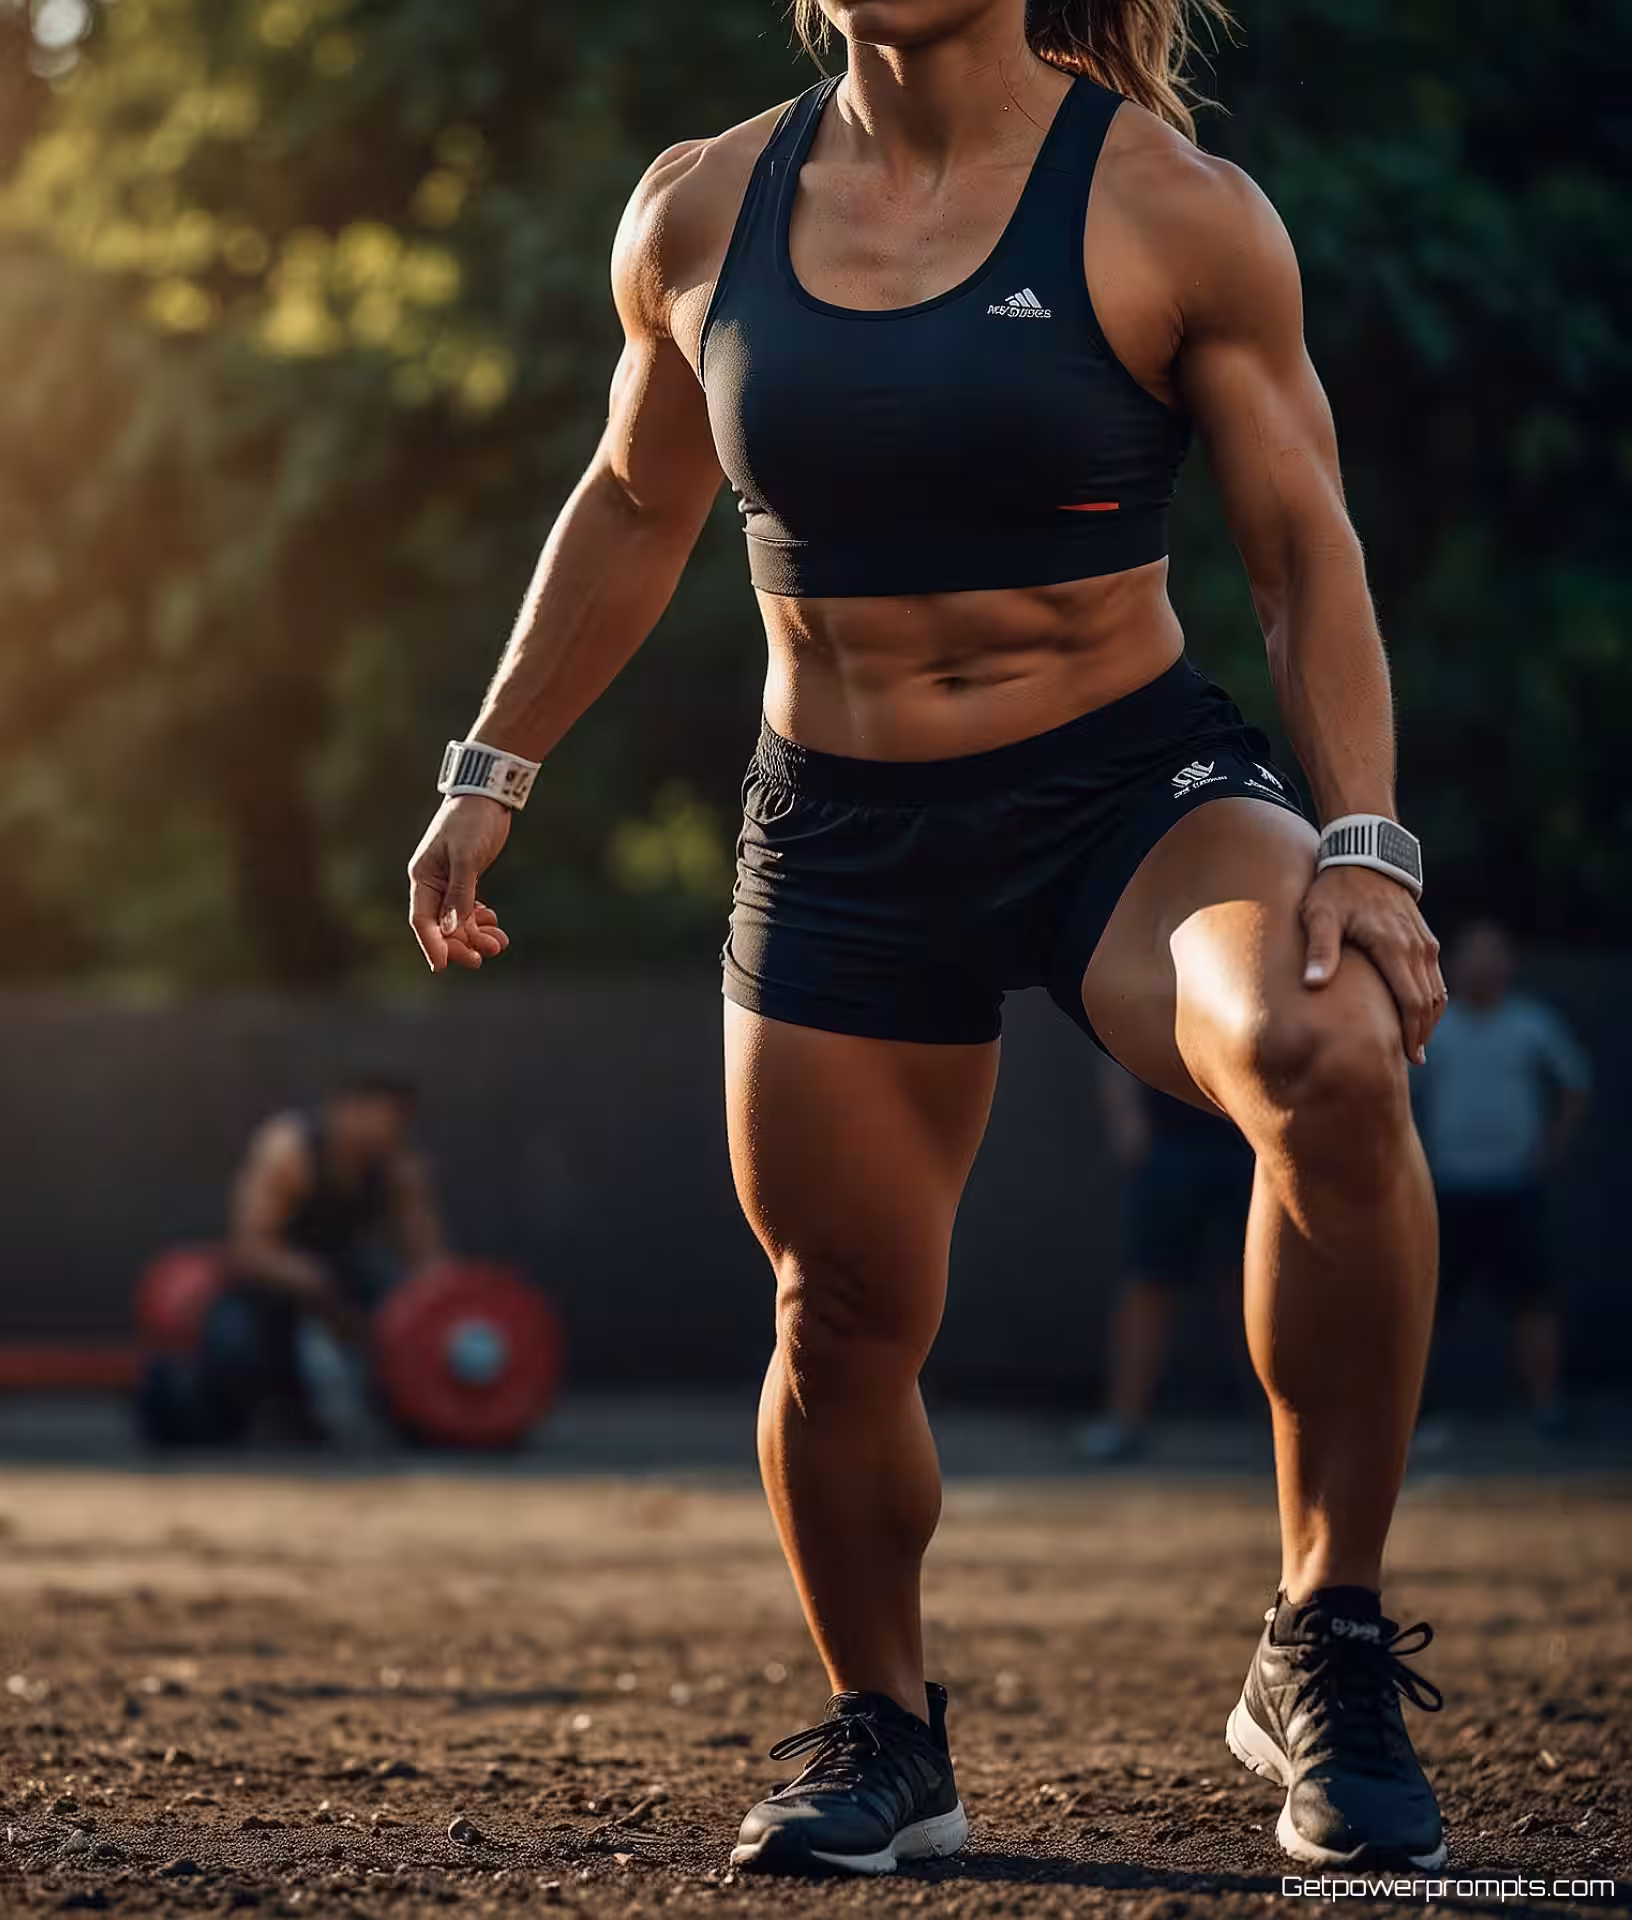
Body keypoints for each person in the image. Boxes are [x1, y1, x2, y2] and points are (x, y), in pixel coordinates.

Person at [407, 0, 1450, 1876]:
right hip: (846, 828)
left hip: (1129, 797)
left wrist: (1363, 844)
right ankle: (889, 1734)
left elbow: (1303, 552)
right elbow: (641, 497)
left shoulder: (1170, 206)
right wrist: (497, 764)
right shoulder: (697, 210)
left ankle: (1328, 1642)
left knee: (1332, 1045)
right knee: (841, 1311)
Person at [193, 1076, 444, 1445]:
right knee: (235, 1344)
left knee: (400, 1302)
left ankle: (406, 1411)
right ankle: (277, 1411)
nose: (389, 1132)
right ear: (347, 1111)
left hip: (342, 1268)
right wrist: (311, 1282)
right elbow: (247, 1249)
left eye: (398, 1123)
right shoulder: (287, 1150)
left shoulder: (398, 1166)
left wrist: (425, 1322)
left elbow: (431, 1264)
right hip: (269, 1280)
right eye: (383, 1119)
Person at [1416, 920, 1588, 1434]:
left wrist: (1551, 1150)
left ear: (1510, 964)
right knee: (1425, 1306)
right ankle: (1413, 1416)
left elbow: (1575, 1085)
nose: (1482, 965)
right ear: (1452, 962)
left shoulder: (1533, 1024)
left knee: (1532, 1299)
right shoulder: (1433, 1024)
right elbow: (1400, 1095)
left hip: (1515, 1189)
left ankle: (1546, 1409)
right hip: (1446, 1190)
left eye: (1494, 954)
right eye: (1473, 954)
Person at [1082, 1063, 1253, 1462]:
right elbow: (1115, 1026)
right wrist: (1125, 1114)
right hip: (1168, 1139)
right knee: (1150, 1280)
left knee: (1260, 1283)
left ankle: (1284, 1423)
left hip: (1253, 1136)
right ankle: (1124, 1419)